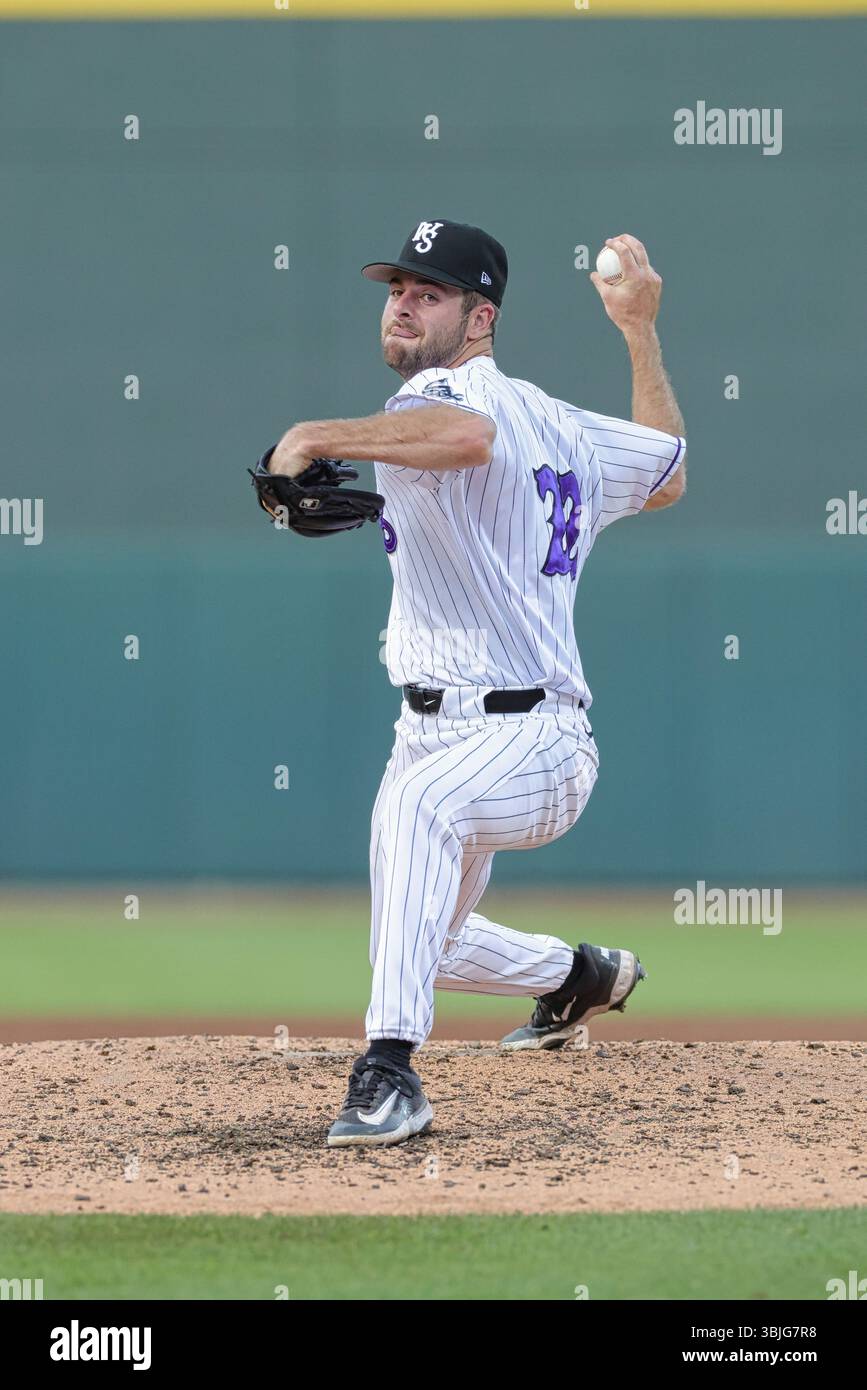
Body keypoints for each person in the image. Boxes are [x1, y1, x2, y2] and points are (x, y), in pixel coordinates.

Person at [266, 219, 686, 1148]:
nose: (404, 304)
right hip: (438, 729)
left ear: (480, 315)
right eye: (397, 289)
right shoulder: (561, 423)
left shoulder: (453, 398)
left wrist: (312, 433)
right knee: (422, 935)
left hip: (531, 737)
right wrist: (640, 333)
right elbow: (665, 471)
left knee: (415, 811)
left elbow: (462, 431)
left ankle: (389, 1074)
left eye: (430, 292)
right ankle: (575, 976)